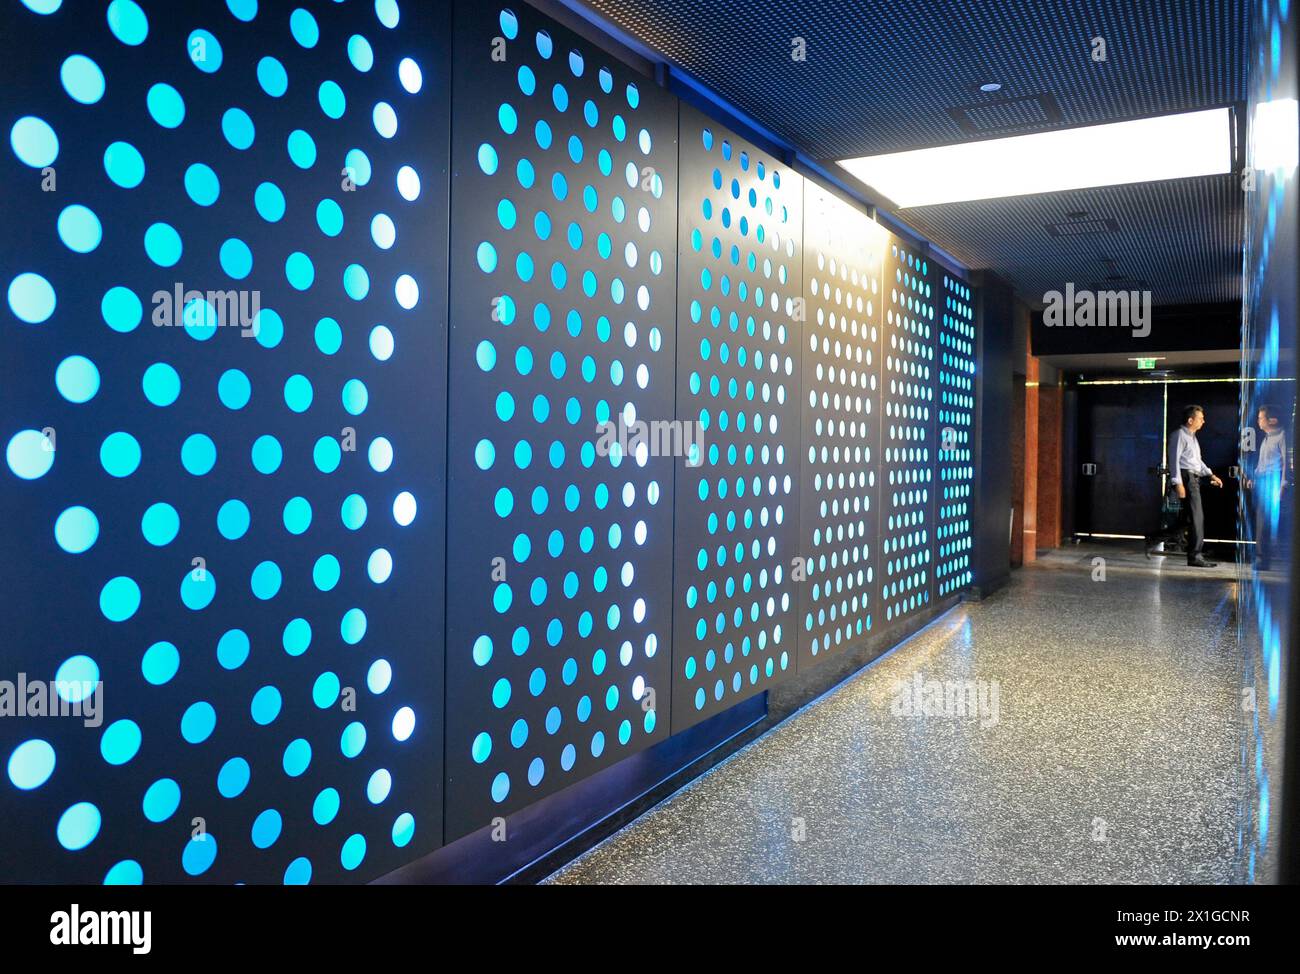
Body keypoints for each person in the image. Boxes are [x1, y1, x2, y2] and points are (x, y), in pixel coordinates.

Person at [1167, 404, 1223, 567]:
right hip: (1187, 478)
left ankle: (1155, 539)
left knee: (1189, 519)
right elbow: (1174, 460)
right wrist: (1178, 483)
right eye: (1200, 418)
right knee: (1197, 517)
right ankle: (1195, 556)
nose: (1203, 421)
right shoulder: (1179, 435)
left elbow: (1196, 461)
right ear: (1190, 420)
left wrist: (1210, 474)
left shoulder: (1192, 437)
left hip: (1193, 478)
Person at [1245, 404, 1288, 571]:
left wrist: (1282, 486)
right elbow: (1263, 463)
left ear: (1272, 420)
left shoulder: (1282, 436)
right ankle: (1261, 557)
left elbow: (1285, 463)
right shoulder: (1266, 437)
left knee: (1265, 521)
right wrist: (1254, 478)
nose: (1258, 421)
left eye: (1261, 418)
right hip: (1262, 481)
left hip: (1272, 482)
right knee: (1260, 520)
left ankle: (1264, 559)